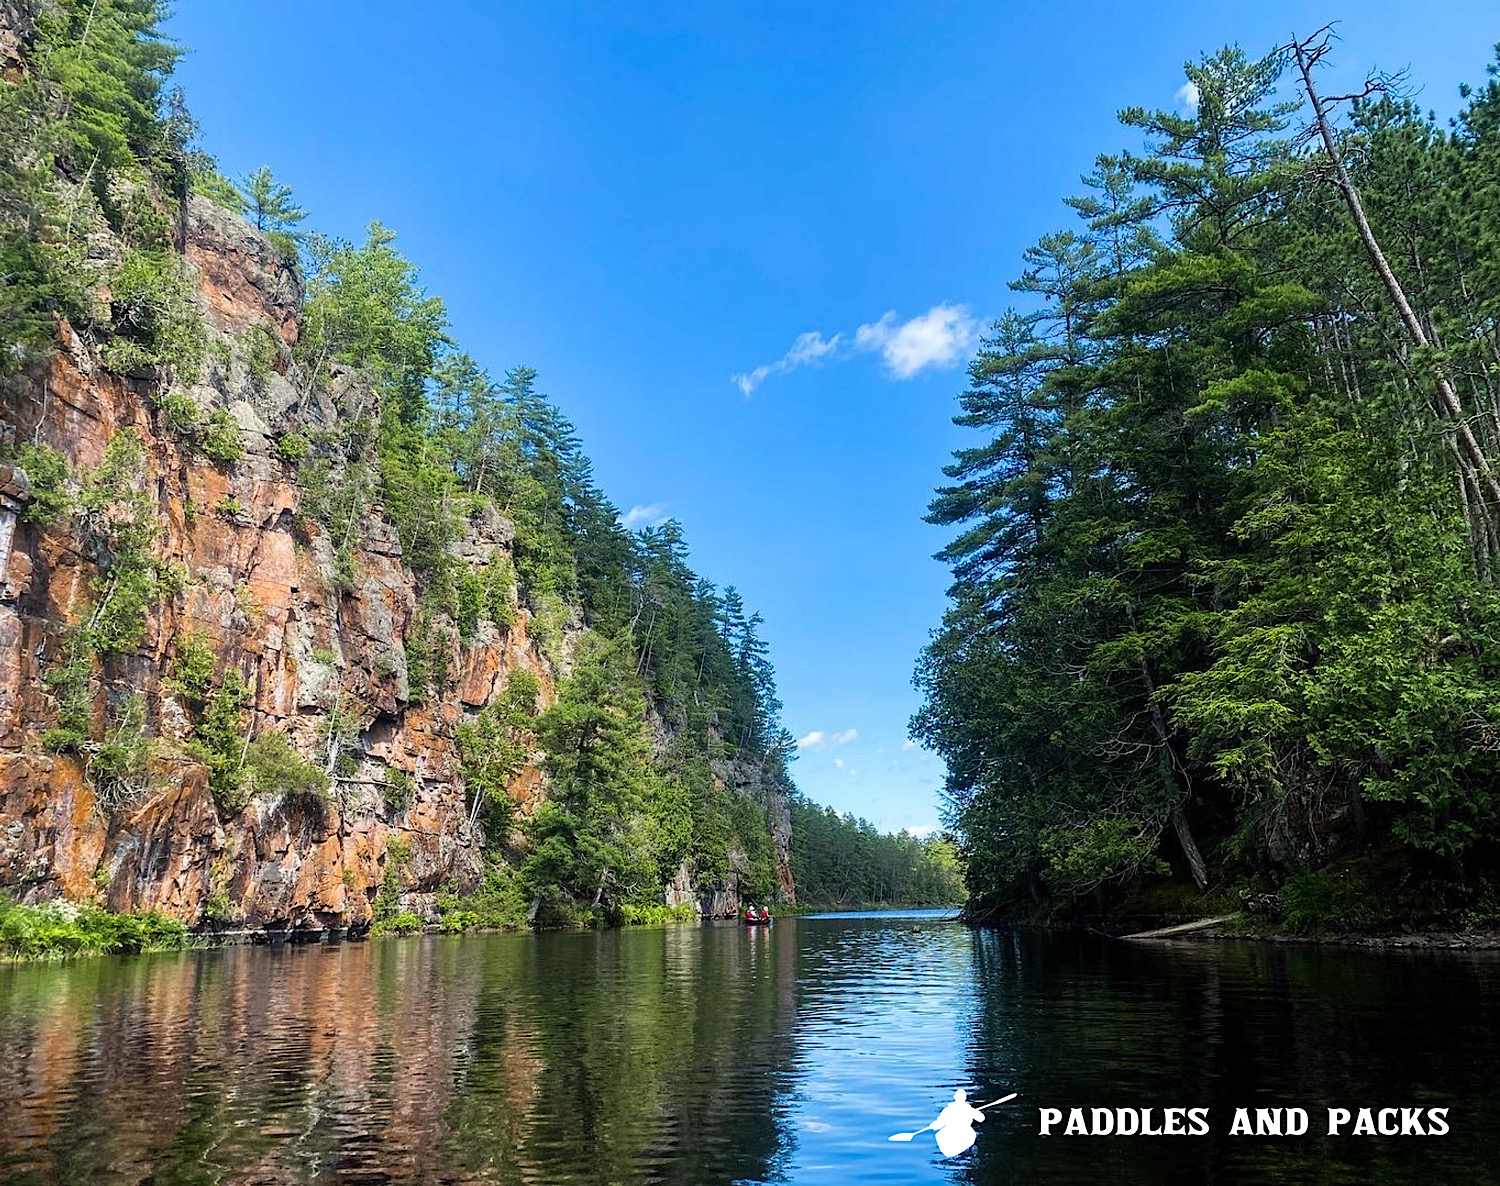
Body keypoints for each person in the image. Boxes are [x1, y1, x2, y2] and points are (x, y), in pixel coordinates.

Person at [930, 1089, 986, 1158]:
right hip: (965, 1134)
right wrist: (975, 1112)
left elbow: (938, 1125)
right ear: (964, 1098)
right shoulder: (969, 1110)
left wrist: (933, 1125)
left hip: (951, 1133)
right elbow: (981, 1119)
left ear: (955, 1097)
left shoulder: (947, 1110)